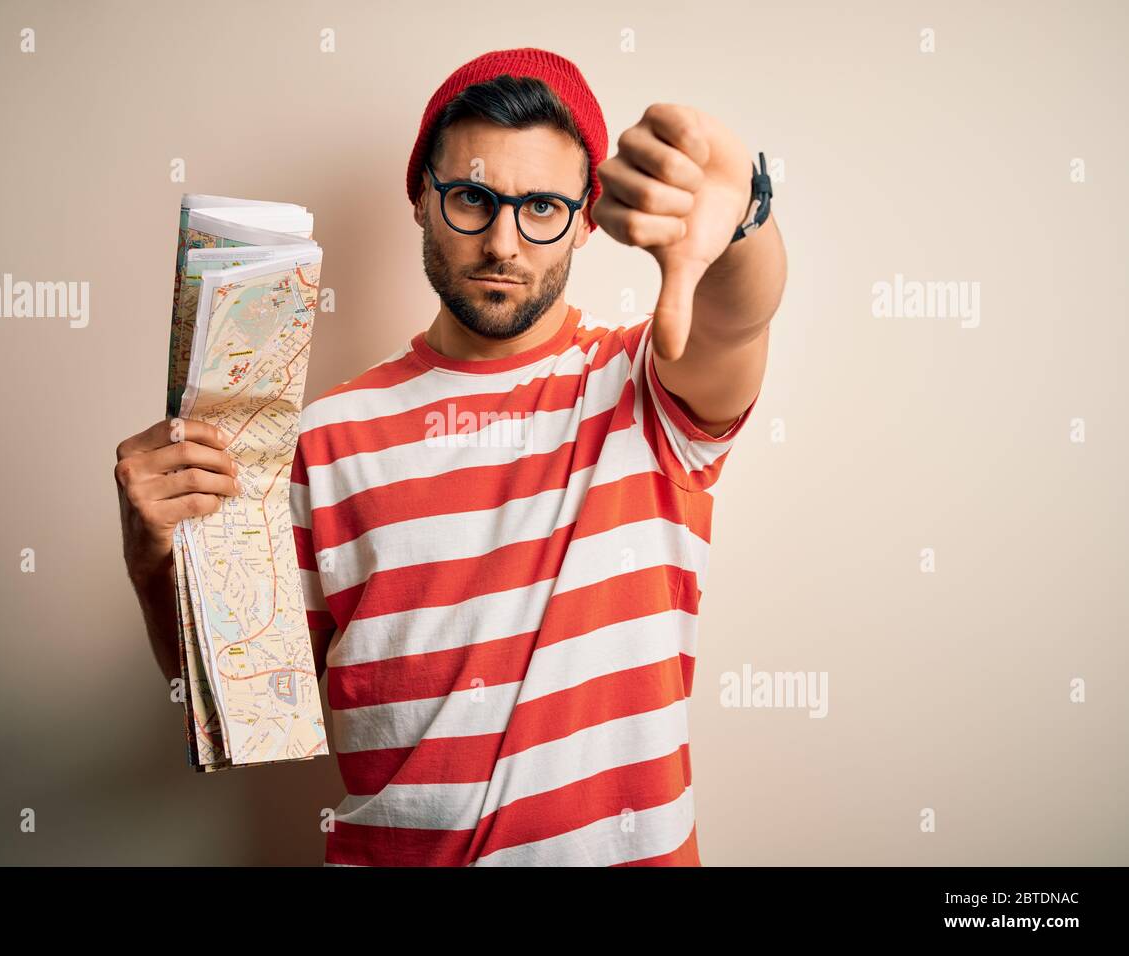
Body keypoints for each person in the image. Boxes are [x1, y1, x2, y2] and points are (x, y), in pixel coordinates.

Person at [115, 47, 786, 866]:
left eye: (541, 206)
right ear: (422, 201)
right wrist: (152, 565)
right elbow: (246, 701)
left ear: (584, 217)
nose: (505, 242)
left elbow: (734, 323)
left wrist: (742, 224)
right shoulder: (325, 438)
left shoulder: (642, 391)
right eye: (472, 198)